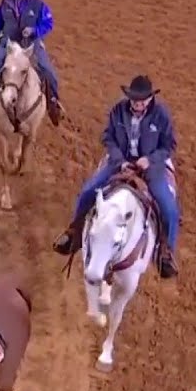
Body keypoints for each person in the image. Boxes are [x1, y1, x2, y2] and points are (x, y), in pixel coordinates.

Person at [52, 75, 181, 278]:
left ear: (149, 99)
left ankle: (166, 253)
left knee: (169, 208)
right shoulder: (118, 111)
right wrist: (120, 160)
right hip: (119, 162)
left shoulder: (161, 115)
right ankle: (74, 233)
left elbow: (168, 146)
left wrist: (149, 159)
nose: (137, 104)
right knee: (87, 191)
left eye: (141, 101)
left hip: (150, 166)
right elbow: (108, 137)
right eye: (134, 100)